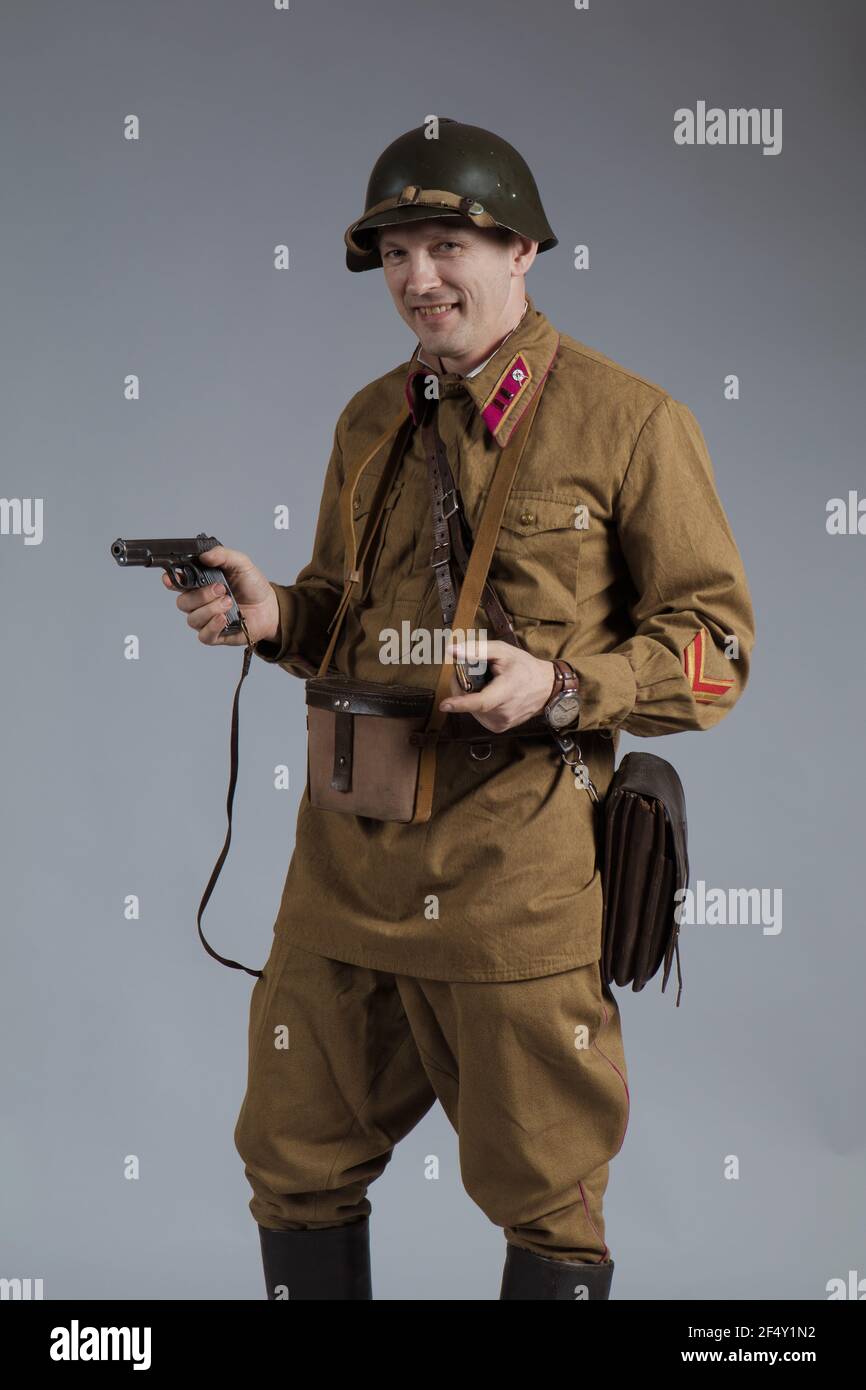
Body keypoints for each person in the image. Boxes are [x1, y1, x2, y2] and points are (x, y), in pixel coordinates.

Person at [164, 118, 755, 1300]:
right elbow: (343, 611)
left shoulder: (627, 423)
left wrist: (569, 686)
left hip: (513, 883)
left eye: (445, 245)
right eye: (392, 254)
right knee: (290, 1160)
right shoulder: (368, 419)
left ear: (522, 247)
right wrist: (271, 614)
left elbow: (716, 649)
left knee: (545, 1198)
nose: (416, 279)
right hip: (342, 874)